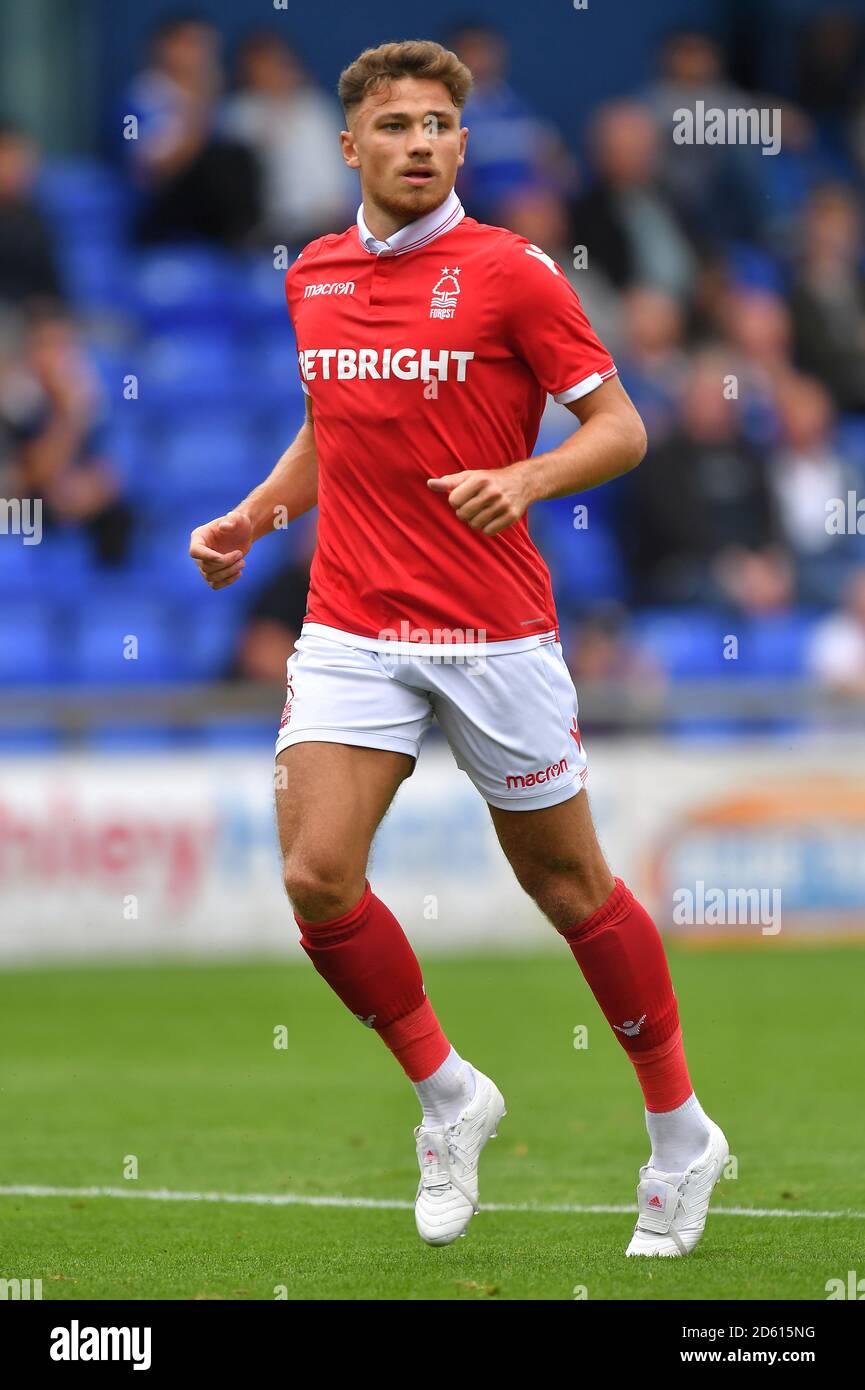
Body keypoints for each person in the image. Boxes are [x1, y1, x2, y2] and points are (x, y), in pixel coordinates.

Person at [190, 39, 729, 1257]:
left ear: (463, 145)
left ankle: (680, 1130)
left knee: (567, 887)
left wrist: (525, 475)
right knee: (316, 877)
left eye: (440, 123)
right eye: (395, 126)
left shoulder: (512, 274)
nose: (420, 142)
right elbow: (333, 434)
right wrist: (251, 518)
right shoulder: (315, 275)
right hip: (351, 623)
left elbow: (623, 426)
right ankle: (449, 1095)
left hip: (491, 631)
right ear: (350, 147)